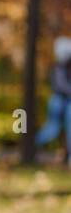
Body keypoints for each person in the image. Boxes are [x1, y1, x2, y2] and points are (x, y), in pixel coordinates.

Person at [34, 36, 71, 165]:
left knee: (67, 129)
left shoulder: (66, 68)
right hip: (59, 101)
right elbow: (62, 87)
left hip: (65, 101)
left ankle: (67, 156)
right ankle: (30, 145)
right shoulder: (58, 68)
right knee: (52, 129)